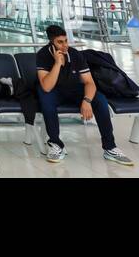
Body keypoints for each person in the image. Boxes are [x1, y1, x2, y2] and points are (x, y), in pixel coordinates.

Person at [34, 24, 133, 166]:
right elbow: (47, 86)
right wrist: (57, 64)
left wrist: (86, 101)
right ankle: (56, 144)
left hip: (74, 89)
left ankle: (110, 147)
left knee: (99, 99)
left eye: (66, 41)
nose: (64, 45)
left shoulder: (75, 55)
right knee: (46, 100)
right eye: (59, 42)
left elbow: (89, 82)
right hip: (53, 90)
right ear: (51, 42)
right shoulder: (43, 55)